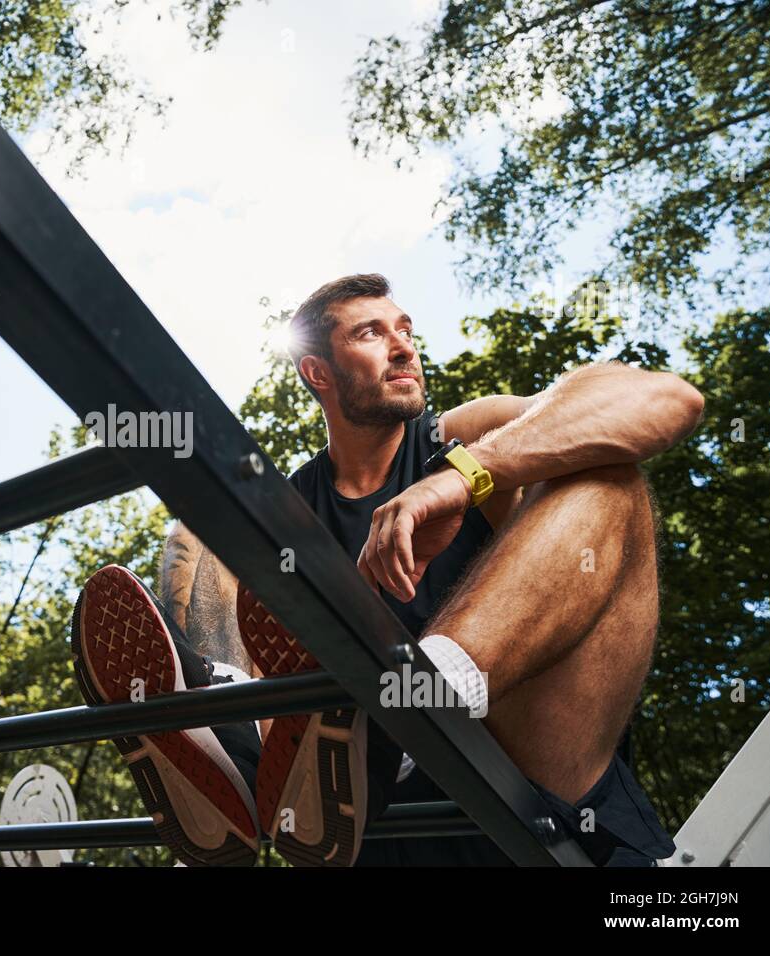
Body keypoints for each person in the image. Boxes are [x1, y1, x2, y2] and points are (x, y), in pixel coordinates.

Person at [70, 273, 701, 867]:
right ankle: (234, 741)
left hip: (536, 792)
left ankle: (418, 709)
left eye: (405, 330)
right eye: (371, 333)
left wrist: (462, 478)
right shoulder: (293, 516)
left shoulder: (462, 439)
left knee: (606, 478)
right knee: (213, 531)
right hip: (360, 819)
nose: (402, 347)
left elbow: (669, 399)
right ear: (317, 371)